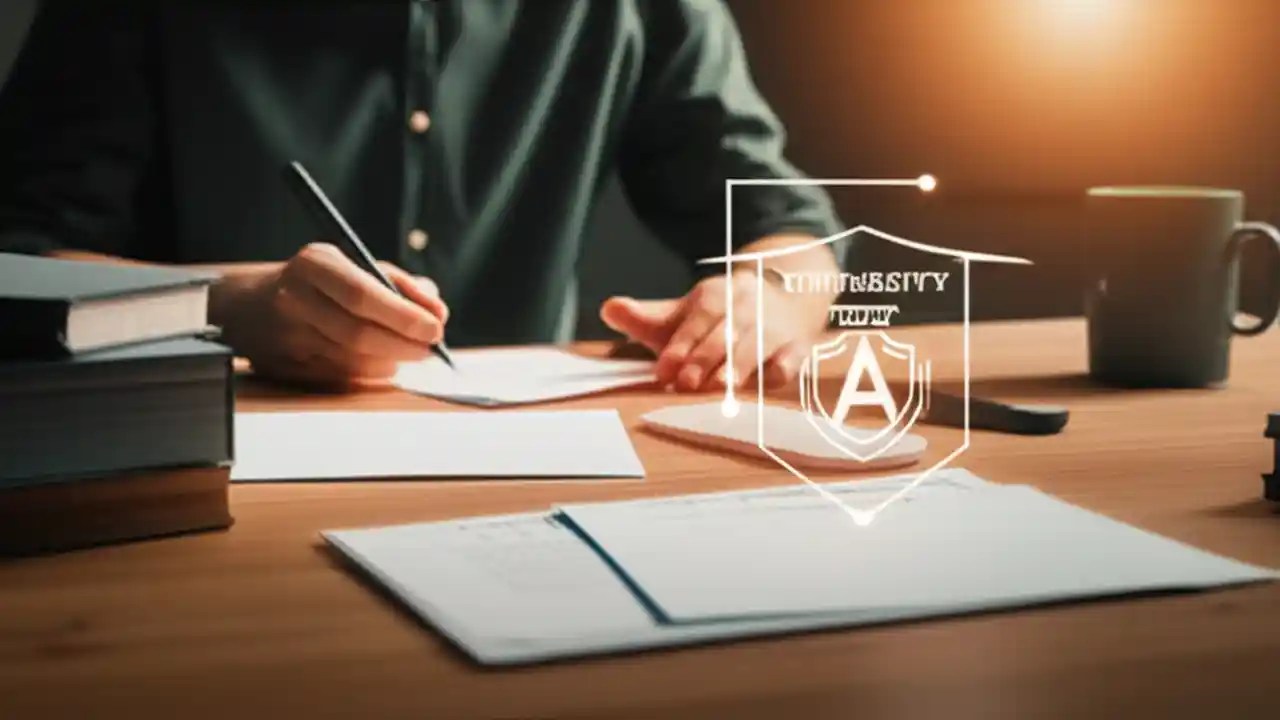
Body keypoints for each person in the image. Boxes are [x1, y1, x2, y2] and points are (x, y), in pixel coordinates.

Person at [0, 1, 844, 390]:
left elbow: (791, 224)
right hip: (207, 465)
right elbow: (21, 263)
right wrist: (235, 307)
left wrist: (768, 296)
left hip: (532, 481)